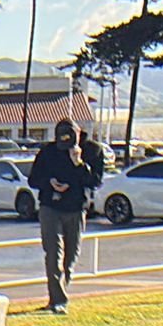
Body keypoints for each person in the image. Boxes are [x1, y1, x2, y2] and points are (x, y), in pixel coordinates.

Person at [26, 118, 104, 314]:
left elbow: (95, 181)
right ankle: (57, 301)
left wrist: (79, 163)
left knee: (70, 257)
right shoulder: (47, 151)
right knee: (53, 254)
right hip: (50, 207)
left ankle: (58, 295)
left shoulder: (93, 150)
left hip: (76, 208)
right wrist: (50, 182)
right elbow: (33, 179)